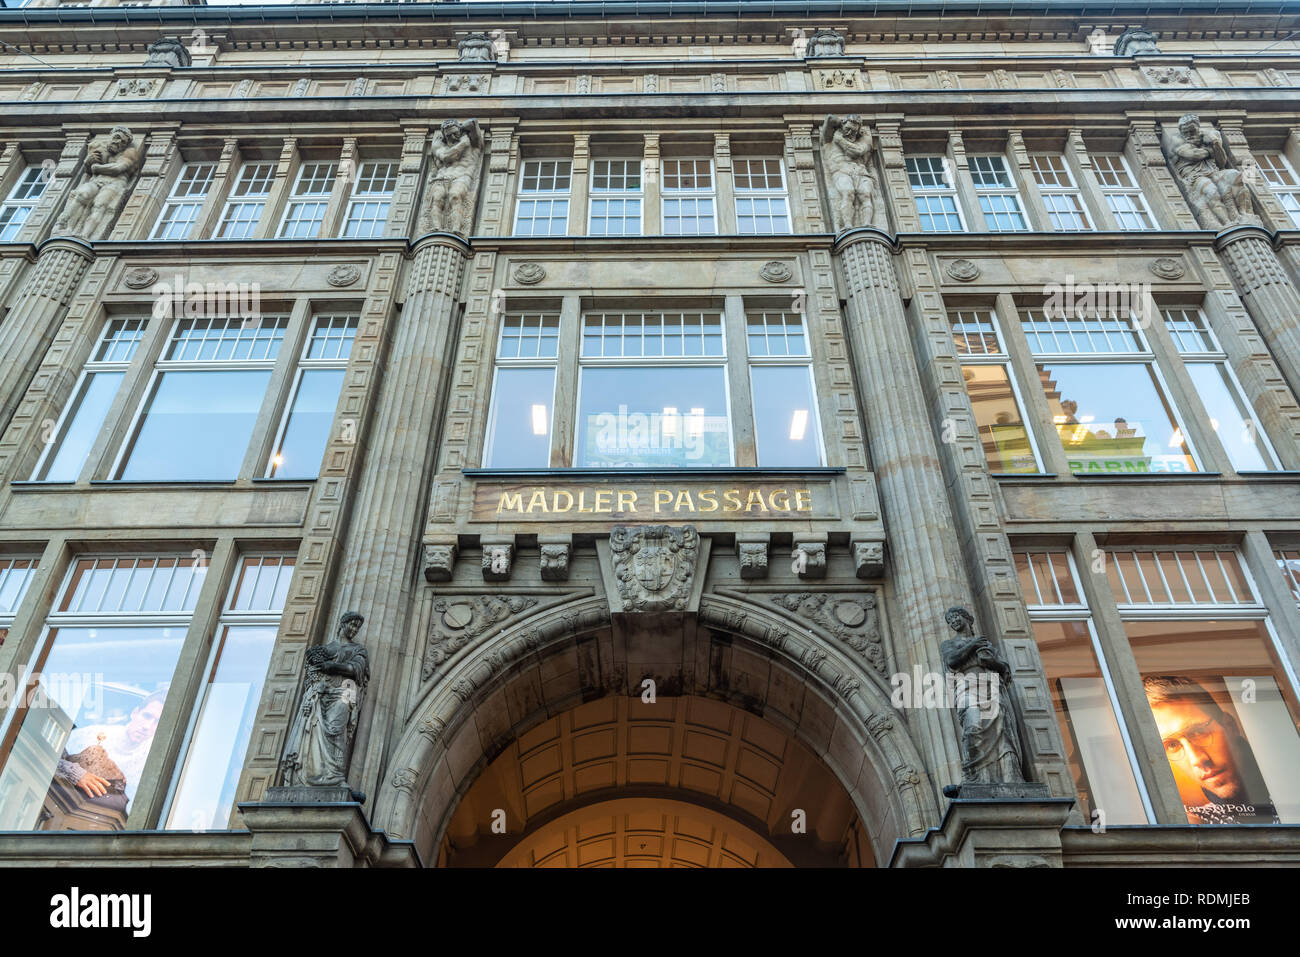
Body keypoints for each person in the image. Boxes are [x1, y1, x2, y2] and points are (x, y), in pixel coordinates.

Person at [1144, 675, 1279, 824]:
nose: (1197, 760)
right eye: (1172, 745)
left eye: (1198, 732)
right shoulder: (1198, 822)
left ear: (1230, 726)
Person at [54, 690, 166, 807]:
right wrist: (75, 774)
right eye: (147, 716)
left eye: (158, 722)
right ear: (135, 713)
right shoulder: (89, 735)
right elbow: (45, 757)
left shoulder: (149, 764)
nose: (147, 726)